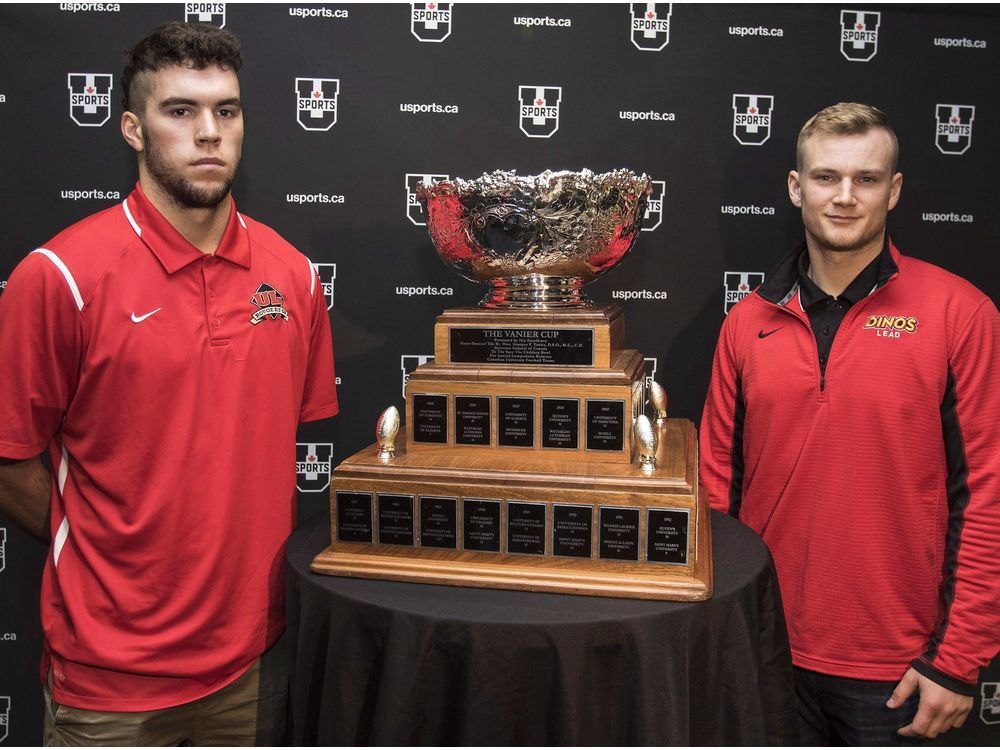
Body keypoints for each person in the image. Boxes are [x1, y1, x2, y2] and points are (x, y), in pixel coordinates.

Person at [0, 22, 338, 745]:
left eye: (227, 110)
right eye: (179, 111)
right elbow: (10, 461)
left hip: (254, 663)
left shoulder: (296, 277)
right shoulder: (59, 277)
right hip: (110, 679)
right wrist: (102, 554)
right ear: (132, 127)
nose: (208, 133)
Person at [700, 102, 999, 745]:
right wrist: (714, 625)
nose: (843, 196)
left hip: (898, 670)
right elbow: (716, 487)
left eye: (865, 179)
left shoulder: (961, 314)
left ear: (893, 191)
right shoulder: (746, 322)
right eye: (825, 176)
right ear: (794, 186)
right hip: (762, 647)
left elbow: (986, 497)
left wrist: (958, 658)